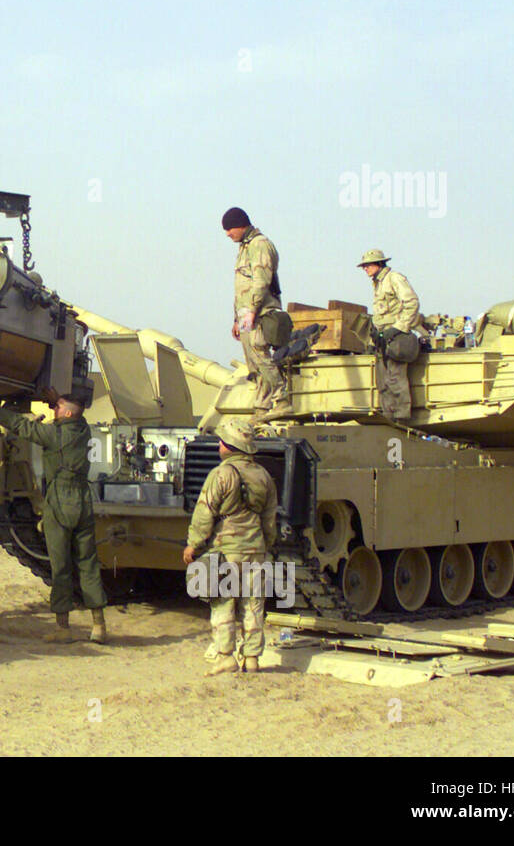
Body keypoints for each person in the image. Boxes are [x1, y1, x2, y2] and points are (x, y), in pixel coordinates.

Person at [0, 385, 108, 644]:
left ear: (66, 414)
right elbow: (75, 415)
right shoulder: (82, 430)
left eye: (57, 408)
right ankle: (98, 626)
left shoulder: (52, 435)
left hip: (58, 500)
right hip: (82, 500)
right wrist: (59, 400)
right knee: (88, 563)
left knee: (60, 566)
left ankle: (63, 628)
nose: (53, 410)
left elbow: (21, 426)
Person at [182, 417, 278, 676]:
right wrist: (265, 544)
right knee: (253, 603)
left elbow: (205, 513)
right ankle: (253, 658)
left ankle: (225, 656)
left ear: (229, 446)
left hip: (227, 549)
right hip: (255, 548)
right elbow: (270, 519)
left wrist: (194, 544)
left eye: (222, 441)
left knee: (223, 601)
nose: (219, 446)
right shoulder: (263, 475)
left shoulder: (220, 474)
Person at [223, 207, 291, 421]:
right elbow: (242, 287)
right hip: (246, 314)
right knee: (253, 362)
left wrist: (251, 311)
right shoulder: (245, 247)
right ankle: (262, 406)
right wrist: (237, 319)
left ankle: (283, 399)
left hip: (260, 313)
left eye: (229, 229)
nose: (227, 234)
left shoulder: (259, 245)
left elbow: (261, 281)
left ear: (241, 224)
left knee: (261, 355)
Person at [359, 249, 421, 423]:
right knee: (383, 381)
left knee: (395, 378)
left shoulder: (394, 278)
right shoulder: (378, 282)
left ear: (379, 264)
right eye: (364, 266)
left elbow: (411, 303)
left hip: (395, 336)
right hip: (383, 337)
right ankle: (389, 416)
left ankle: (401, 417)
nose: (365, 269)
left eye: (368, 265)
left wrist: (397, 328)